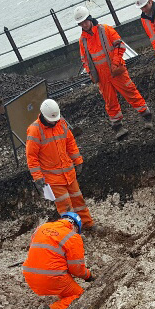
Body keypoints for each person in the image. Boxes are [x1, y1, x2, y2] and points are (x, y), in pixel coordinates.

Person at [74, 5, 152, 140]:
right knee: (110, 102)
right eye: (81, 23)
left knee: (131, 92)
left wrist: (115, 63)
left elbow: (119, 45)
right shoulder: (83, 40)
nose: (84, 25)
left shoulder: (105, 29)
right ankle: (118, 126)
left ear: (90, 18)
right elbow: (85, 59)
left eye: (85, 21)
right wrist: (91, 74)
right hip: (102, 76)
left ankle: (147, 116)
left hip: (116, 70)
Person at [26, 98, 94, 230]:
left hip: (68, 173)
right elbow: (31, 157)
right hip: (53, 178)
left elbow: (70, 143)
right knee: (66, 207)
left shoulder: (61, 123)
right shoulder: (35, 130)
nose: (54, 122)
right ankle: (71, 233)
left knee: (78, 201)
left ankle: (88, 224)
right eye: (52, 120)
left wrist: (78, 160)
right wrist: (38, 178)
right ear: (43, 116)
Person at [22, 212, 96, 309]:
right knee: (79, 295)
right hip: (51, 278)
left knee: (64, 284)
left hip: (29, 276)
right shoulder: (73, 236)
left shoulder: (42, 227)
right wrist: (89, 276)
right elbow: (77, 270)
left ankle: (61, 297)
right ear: (74, 226)